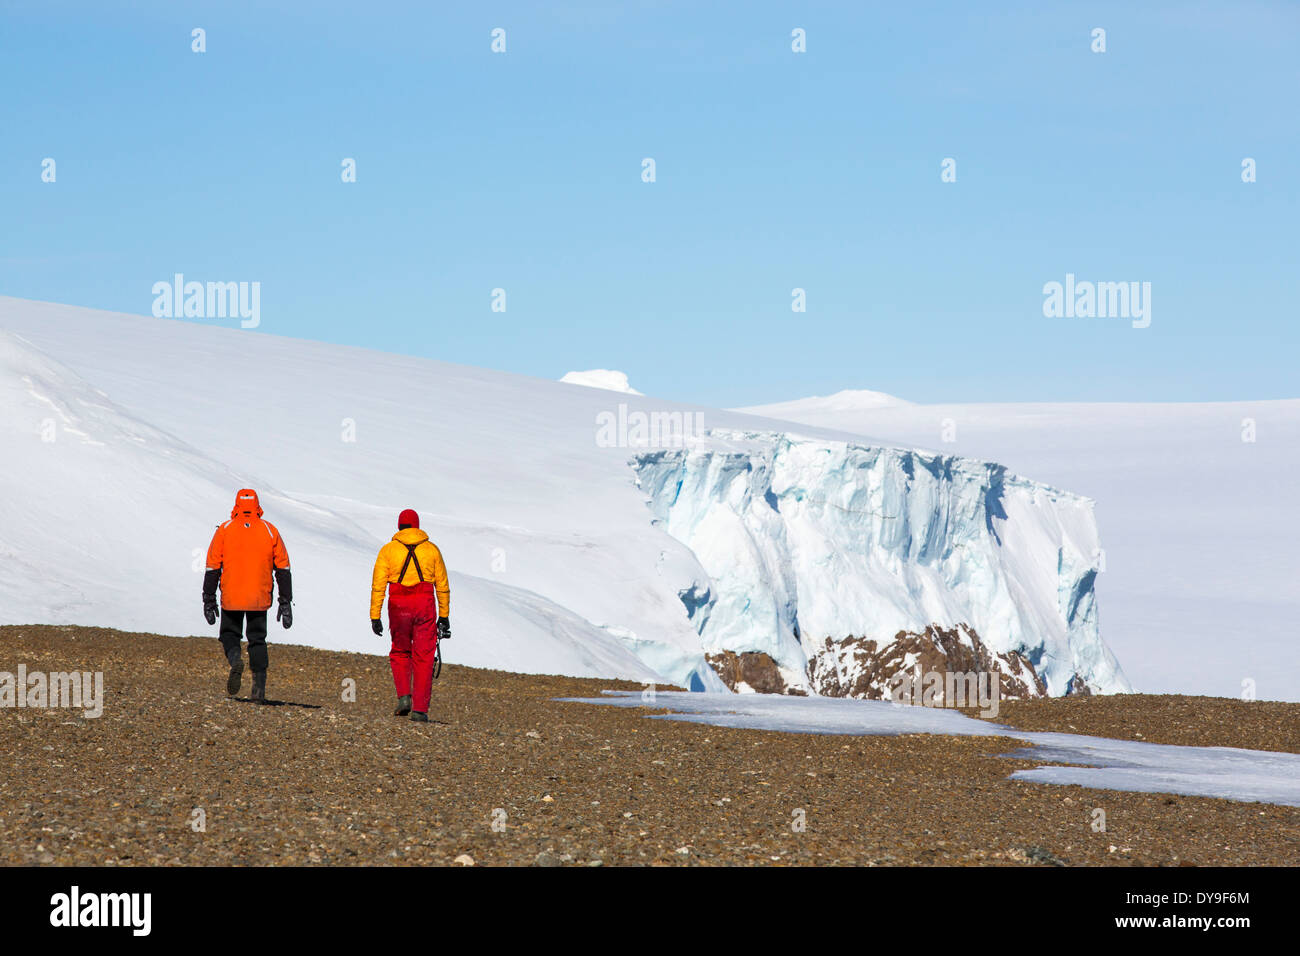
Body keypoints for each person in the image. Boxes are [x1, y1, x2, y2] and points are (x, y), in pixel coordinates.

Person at [202, 489, 292, 704]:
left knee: (229, 634)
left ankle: (235, 660)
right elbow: (283, 568)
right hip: (258, 597)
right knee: (257, 640)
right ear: (257, 505)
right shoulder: (270, 531)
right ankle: (258, 692)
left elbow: (213, 566)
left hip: (232, 596)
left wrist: (208, 598)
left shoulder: (225, 530)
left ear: (236, 505)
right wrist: (285, 600)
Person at [370, 509, 450, 722]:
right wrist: (444, 615)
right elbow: (442, 585)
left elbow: (378, 586)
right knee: (424, 657)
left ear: (399, 526)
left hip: (398, 605)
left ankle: (405, 697)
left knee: (400, 651)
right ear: (417, 526)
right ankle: (420, 710)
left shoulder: (388, 550)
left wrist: (375, 616)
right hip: (424, 604)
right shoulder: (432, 550)